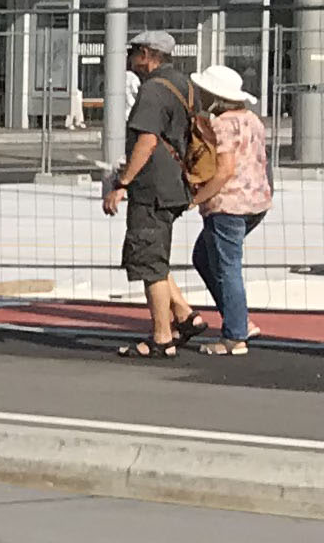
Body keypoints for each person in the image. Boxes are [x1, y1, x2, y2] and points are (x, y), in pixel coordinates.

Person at [98, 32, 202, 357]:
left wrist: (123, 183)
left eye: (133, 52)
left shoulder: (153, 91)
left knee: (148, 261)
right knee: (153, 254)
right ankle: (185, 315)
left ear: (146, 53)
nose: (130, 58)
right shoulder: (184, 85)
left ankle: (161, 337)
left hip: (152, 188)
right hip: (175, 183)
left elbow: (147, 141)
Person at [183, 62, 275, 356]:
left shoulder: (221, 125)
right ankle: (237, 319)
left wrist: (197, 198)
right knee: (205, 257)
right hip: (256, 202)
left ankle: (236, 333)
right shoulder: (253, 121)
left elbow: (223, 171)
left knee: (226, 267)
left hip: (228, 204)